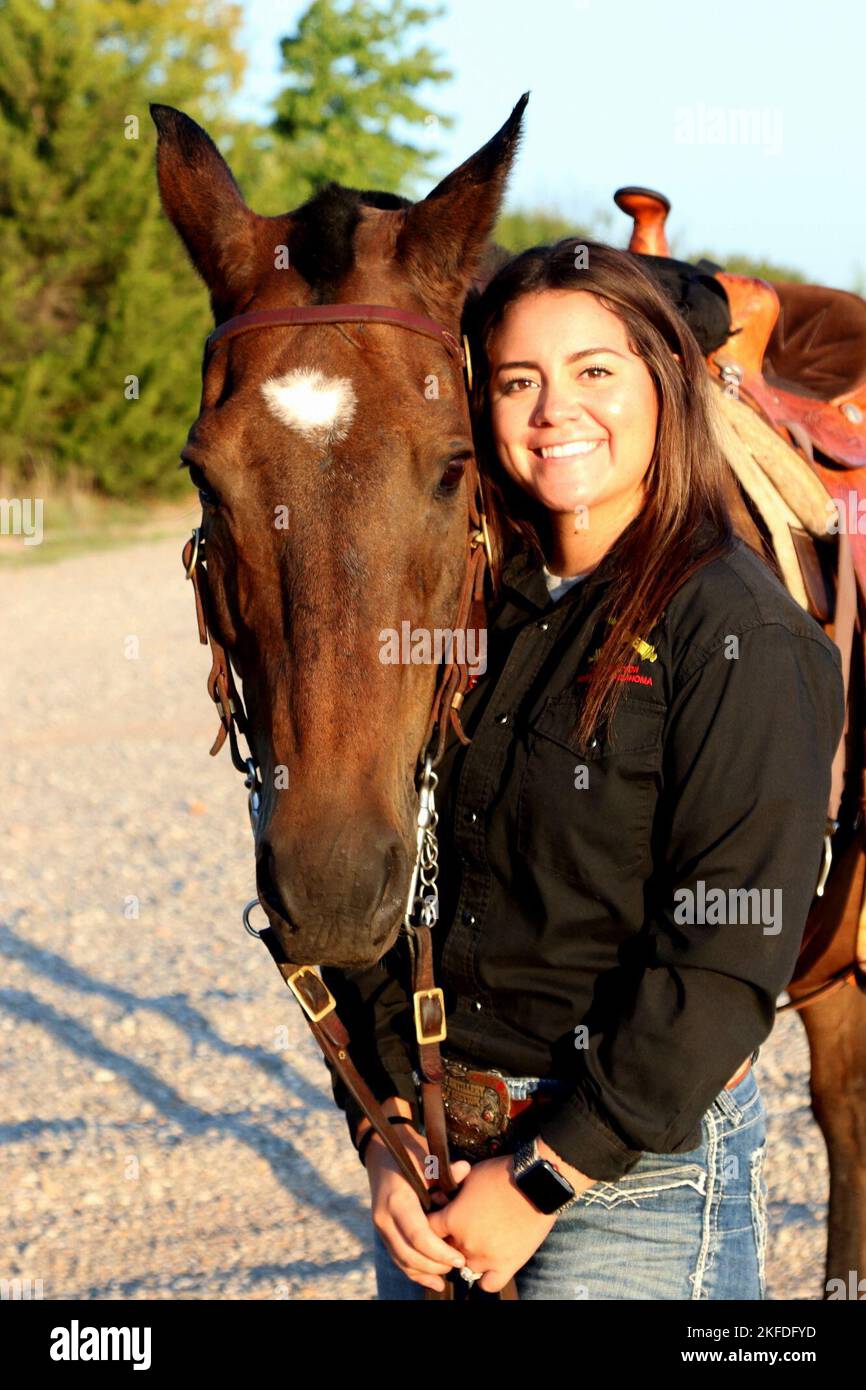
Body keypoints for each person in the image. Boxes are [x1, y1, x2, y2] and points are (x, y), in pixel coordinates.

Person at [320, 239, 845, 1300]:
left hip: (630, 1193)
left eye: (595, 371)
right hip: (430, 1160)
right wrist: (380, 1132)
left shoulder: (735, 630)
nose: (554, 410)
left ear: (663, 381)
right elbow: (387, 891)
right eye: (518, 380)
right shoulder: (454, 617)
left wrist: (537, 1181)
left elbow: (721, 961)